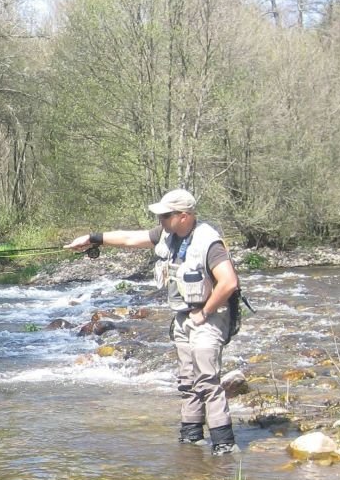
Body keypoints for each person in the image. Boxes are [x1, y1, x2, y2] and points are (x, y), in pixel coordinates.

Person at [65, 188, 240, 455]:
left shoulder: (209, 242)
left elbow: (228, 282)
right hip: (184, 316)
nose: (160, 219)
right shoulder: (167, 234)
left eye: (165, 215)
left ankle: (224, 444)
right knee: (188, 380)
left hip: (210, 316)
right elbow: (128, 238)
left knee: (207, 380)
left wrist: (204, 313)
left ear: (184, 216)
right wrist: (93, 238)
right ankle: (191, 439)